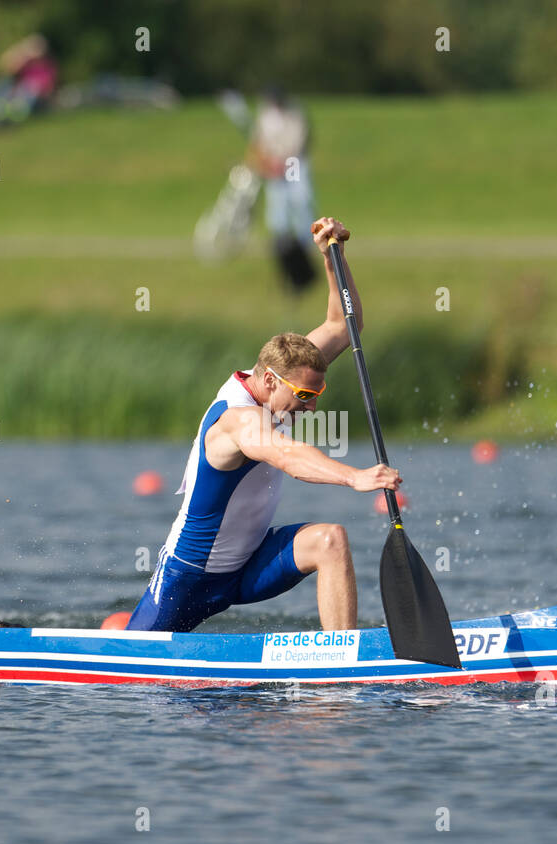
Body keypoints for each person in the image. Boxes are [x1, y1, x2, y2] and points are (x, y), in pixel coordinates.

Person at [127, 218, 401, 634]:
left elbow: (344, 325)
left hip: (248, 564)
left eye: (317, 396)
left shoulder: (280, 381)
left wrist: (333, 257)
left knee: (331, 540)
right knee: (133, 662)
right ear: (270, 380)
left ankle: (343, 659)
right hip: (189, 577)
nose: (308, 409)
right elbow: (288, 456)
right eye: (304, 397)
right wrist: (354, 478)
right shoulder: (238, 420)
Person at [246, 87, 317, 294]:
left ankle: (306, 240)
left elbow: (298, 141)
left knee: (300, 200)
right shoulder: (264, 116)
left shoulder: (295, 114)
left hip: (294, 162)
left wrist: (284, 160)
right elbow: (259, 140)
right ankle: (282, 241)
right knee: (278, 205)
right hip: (273, 165)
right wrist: (266, 161)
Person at [0, 34, 58, 125]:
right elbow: (5, 67)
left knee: (28, 89)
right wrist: (20, 53)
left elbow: (47, 87)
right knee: (2, 83)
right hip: (19, 91)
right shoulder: (26, 63)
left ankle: (12, 114)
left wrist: (31, 88)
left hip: (35, 96)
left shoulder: (47, 65)